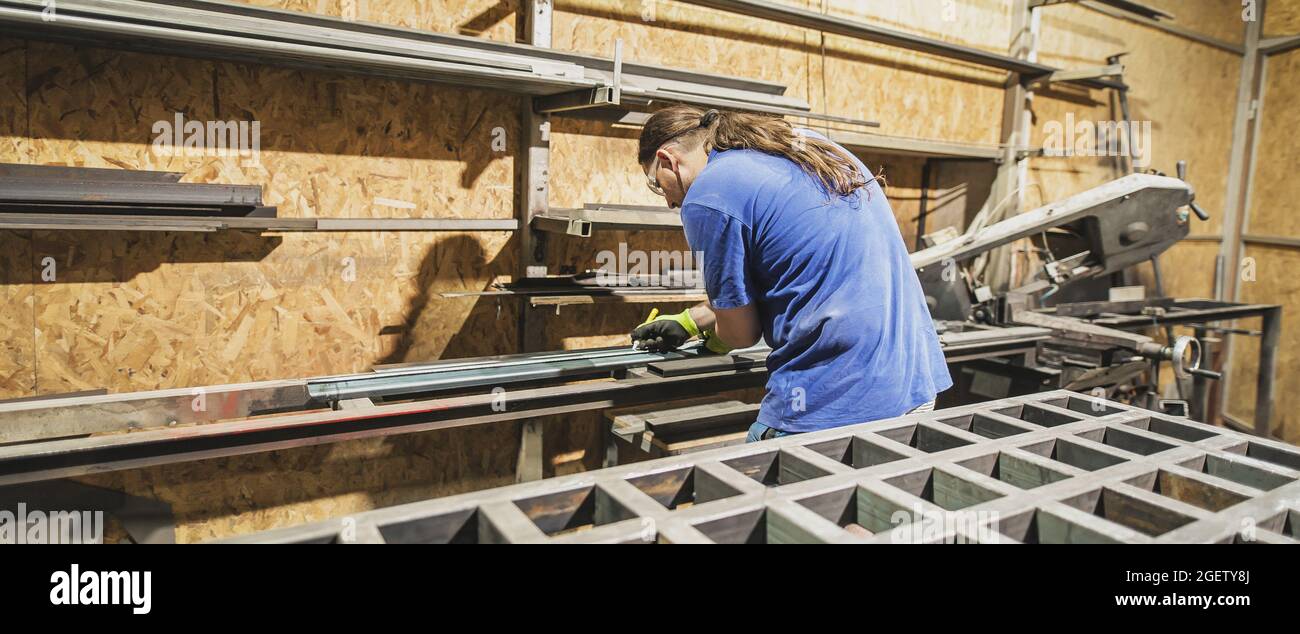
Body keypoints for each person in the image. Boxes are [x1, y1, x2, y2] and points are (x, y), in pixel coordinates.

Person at [630, 105, 952, 442]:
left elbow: (741, 334)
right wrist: (692, 320)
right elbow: (804, 274)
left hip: (836, 398)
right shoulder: (799, 144)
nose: (668, 202)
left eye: (656, 185)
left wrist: (716, 340)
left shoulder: (707, 196)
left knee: (752, 488)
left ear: (667, 160)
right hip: (912, 385)